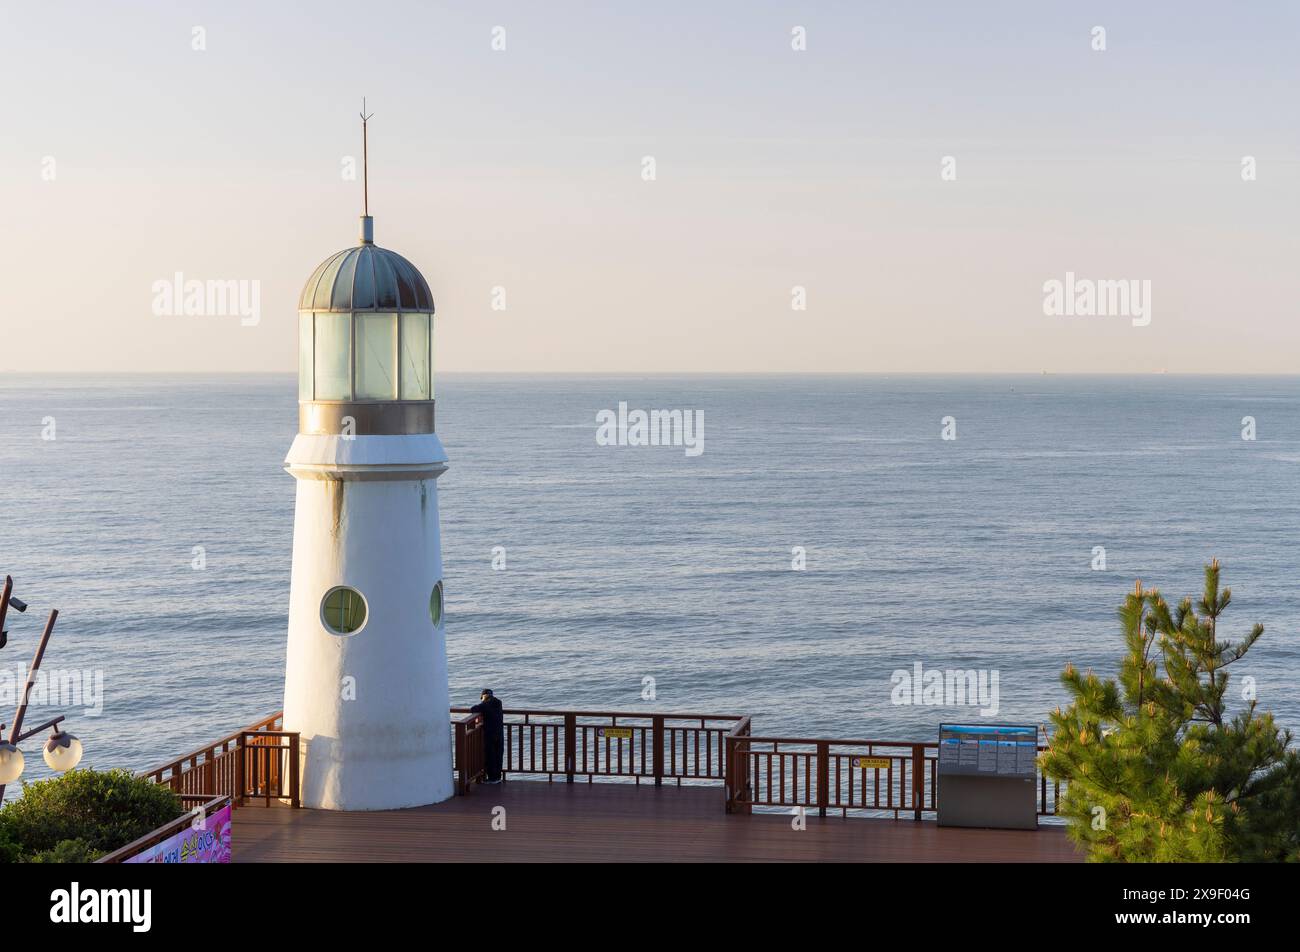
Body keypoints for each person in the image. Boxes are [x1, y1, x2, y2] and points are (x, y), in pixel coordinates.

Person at [470, 688, 505, 784]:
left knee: (490, 755)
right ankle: (497, 777)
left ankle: (492, 778)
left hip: (490, 733)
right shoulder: (499, 702)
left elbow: (473, 709)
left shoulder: (485, 704)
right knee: (498, 754)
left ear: (484, 696)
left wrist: (482, 702)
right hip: (499, 732)